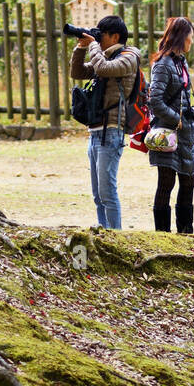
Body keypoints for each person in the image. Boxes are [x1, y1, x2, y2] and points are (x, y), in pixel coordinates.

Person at [71, 15, 140, 230]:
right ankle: (103, 233)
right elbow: (78, 72)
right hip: (95, 130)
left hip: (111, 131)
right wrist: (81, 47)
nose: (98, 38)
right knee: (97, 194)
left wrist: (93, 45)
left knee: (107, 192)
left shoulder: (129, 57)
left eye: (102, 35)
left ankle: (115, 237)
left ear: (115, 36)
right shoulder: (105, 56)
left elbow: (103, 69)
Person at [148, 16, 194, 234]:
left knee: (189, 180)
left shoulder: (180, 62)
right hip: (168, 133)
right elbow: (154, 100)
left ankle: (185, 232)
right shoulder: (163, 64)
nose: (191, 42)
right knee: (166, 182)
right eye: (190, 38)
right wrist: (177, 119)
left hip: (186, 135)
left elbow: (183, 95)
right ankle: (162, 235)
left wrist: (192, 113)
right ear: (181, 37)